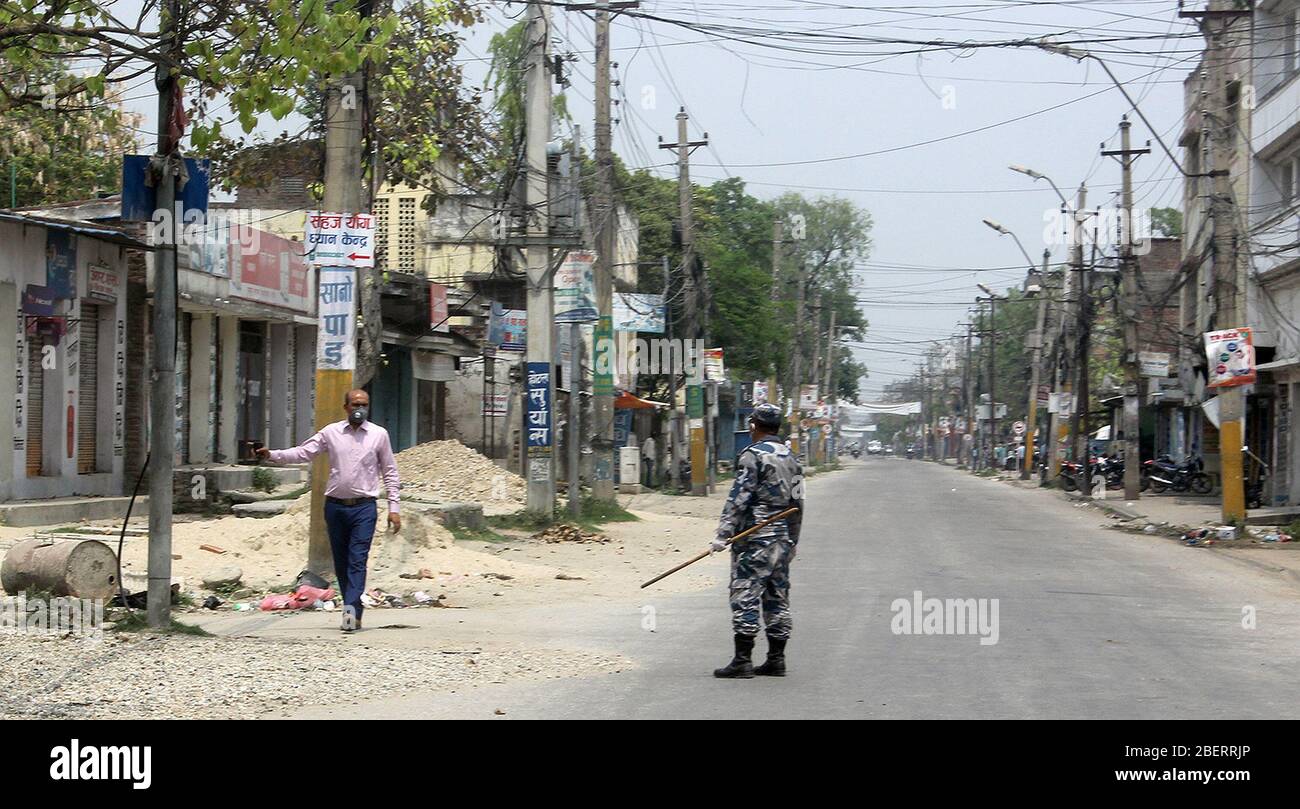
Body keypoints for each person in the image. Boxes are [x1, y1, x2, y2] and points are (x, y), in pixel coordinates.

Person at [256, 389, 401, 632]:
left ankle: (351, 610)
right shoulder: (331, 432)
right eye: (355, 404)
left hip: (364, 508)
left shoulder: (379, 435)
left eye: (364, 405)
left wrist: (394, 507)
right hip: (335, 507)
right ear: (345, 407)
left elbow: (390, 472)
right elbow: (304, 453)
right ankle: (352, 608)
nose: (360, 409)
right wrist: (272, 455)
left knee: (358, 560)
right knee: (342, 563)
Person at [708, 403, 805, 679]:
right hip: (782, 539)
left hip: (755, 539)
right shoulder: (793, 458)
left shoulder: (752, 456)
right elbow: (798, 502)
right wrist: (793, 540)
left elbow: (739, 497)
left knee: (745, 594)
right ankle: (776, 659)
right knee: (777, 597)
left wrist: (722, 535)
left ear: (754, 426)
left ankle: (742, 661)